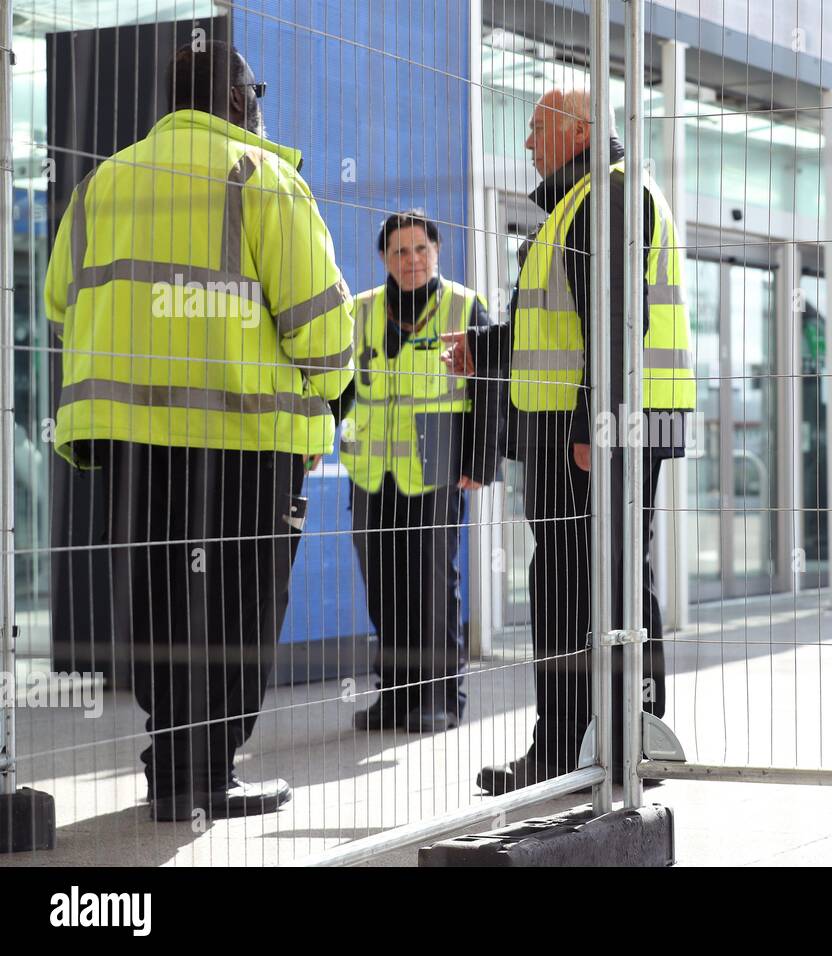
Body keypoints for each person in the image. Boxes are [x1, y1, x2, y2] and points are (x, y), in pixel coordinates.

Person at [45, 41, 354, 820]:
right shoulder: (264, 180)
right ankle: (206, 770)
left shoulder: (101, 184)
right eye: (259, 91)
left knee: (159, 601)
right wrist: (335, 388)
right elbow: (321, 330)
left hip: (135, 440)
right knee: (240, 607)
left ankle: (174, 760)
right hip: (245, 443)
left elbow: (59, 303)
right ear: (241, 98)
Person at [442, 88, 695, 793]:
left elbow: (618, 321)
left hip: (591, 437)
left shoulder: (607, 195)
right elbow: (561, 325)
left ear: (579, 131)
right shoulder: (582, 199)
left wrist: (595, 428)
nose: (526, 145)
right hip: (582, 434)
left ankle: (596, 747)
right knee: (588, 586)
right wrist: (484, 349)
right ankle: (597, 744)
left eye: (535, 130)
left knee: (580, 588)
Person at [335, 211, 504, 733]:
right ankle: (395, 696)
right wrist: (312, 439)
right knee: (383, 584)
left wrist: (481, 459)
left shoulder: (462, 304)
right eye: (400, 252)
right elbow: (339, 384)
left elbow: (489, 387)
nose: (412, 261)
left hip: (436, 459)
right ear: (384, 258)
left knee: (430, 584)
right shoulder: (359, 311)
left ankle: (441, 698)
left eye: (421, 250)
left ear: (437, 253)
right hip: (370, 469)